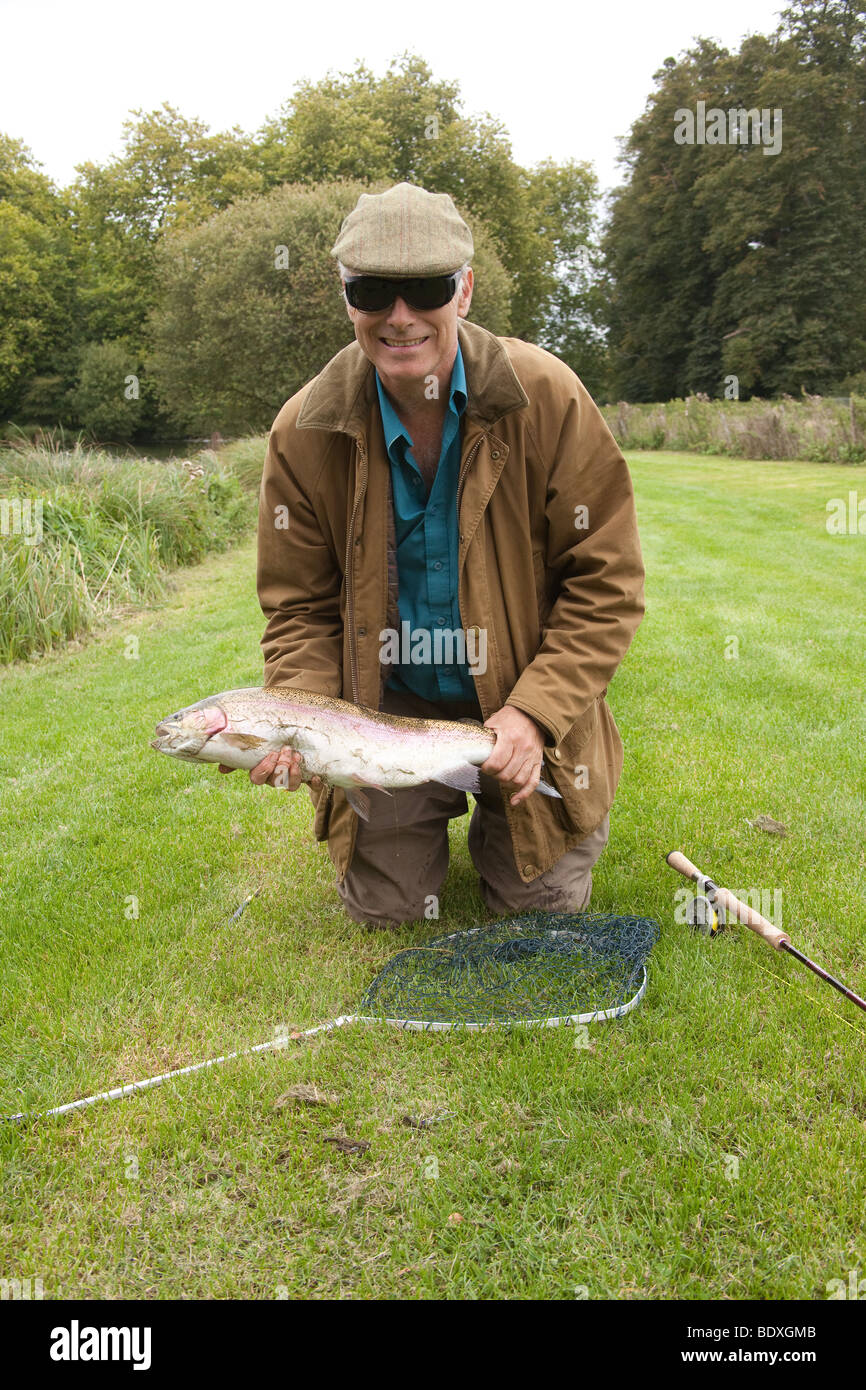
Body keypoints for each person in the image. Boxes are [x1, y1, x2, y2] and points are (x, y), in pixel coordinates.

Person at [239, 182, 644, 926]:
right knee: (387, 911)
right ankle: (410, 822)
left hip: (520, 693)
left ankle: (515, 805)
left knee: (536, 911)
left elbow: (607, 584)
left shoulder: (546, 394)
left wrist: (536, 712)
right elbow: (297, 607)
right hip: (387, 710)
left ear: (463, 290)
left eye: (424, 288)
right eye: (374, 291)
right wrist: (297, 719)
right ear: (346, 296)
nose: (400, 317)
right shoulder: (302, 429)